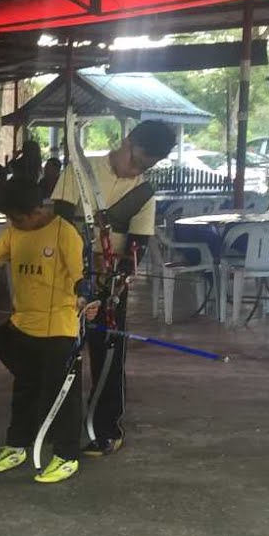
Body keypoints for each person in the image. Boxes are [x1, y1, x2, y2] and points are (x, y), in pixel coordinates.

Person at [53, 118, 176, 456]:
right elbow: (58, 223)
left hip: (109, 284)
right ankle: (58, 426)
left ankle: (106, 428)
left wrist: (120, 276)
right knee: (59, 352)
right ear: (127, 141)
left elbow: (137, 243)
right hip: (65, 277)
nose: (135, 170)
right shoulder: (81, 170)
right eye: (135, 161)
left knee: (108, 354)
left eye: (145, 167)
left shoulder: (143, 193)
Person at [0, 177, 90, 484]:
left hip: (59, 327)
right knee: (25, 388)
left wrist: (85, 293)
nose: (15, 224)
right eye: (11, 219)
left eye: (18, 218)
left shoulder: (64, 233)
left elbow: (80, 276)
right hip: (23, 324)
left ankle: (66, 455)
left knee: (61, 394)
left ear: (36, 211)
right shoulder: (15, 231)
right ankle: (18, 445)